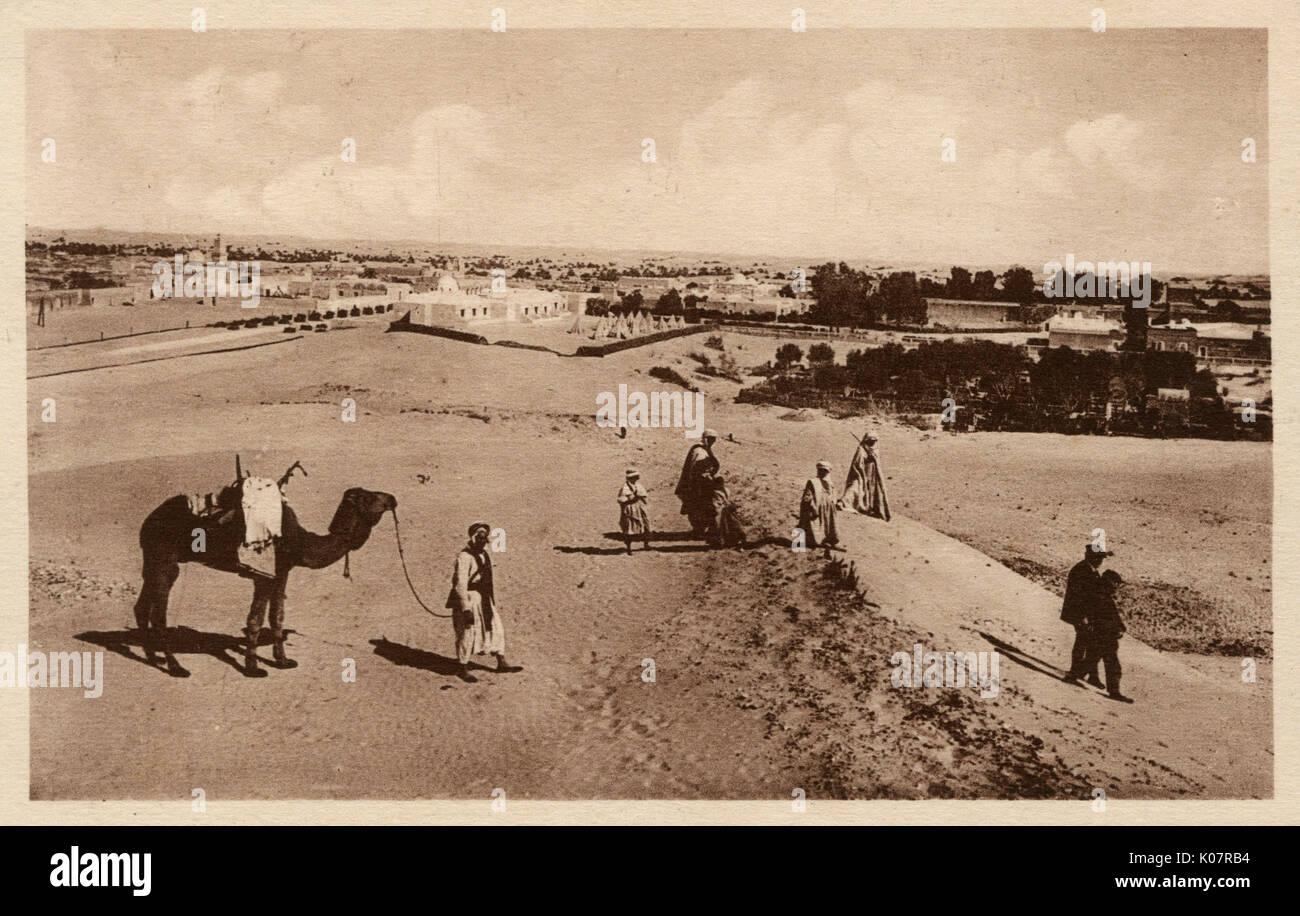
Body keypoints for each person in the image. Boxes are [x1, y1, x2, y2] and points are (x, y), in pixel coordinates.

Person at [445, 522, 519, 683]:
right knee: (467, 633)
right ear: (473, 538)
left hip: (484, 598)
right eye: (479, 537)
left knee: (497, 628)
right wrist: (465, 608)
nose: (482, 540)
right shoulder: (464, 557)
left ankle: (501, 662)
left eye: (484, 538)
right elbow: (460, 584)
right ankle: (462, 667)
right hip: (470, 599)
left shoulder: (484, 554)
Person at [1061, 544, 1111, 685]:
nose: (1101, 561)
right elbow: (1078, 597)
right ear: (1093, 557)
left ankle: (1092, 676)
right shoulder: (1082, 571)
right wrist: (1083, 617)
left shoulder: (1090, 570)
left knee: (1089, 642)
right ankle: (1074, 673)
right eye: (1100, 558)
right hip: (1080, 614)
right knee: (1082, 642)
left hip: (1087, 614)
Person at [1091, 570, 1133, 703]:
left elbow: (1113, 616)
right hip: (1105, 637)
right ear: (1109, 583)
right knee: (1113, 665)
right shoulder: (1101, 597)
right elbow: (1105, 619)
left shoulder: (1104, 596)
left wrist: (1120, 627)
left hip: (1106, 637)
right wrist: (1116, 630)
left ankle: (1073, 676)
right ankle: (1114, 692)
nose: (1117, 587)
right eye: (1116, 584)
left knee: (1091, 660)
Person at [675, 429, 720, 537]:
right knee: (696, 507)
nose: (712, 441)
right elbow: (695, 469)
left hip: (704, 485)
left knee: (705, 507)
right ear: (705, 438)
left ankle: (703, 529)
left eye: (713, 439)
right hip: (695, 485)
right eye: (710, 439)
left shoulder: (706, 450)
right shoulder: (698, 451)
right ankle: (698, 530)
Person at [839, 433, 891, 521]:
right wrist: (866, 459)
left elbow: (877, 461)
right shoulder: (861, 449)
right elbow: (857, 463)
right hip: (862, 472)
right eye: (871, 440)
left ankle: (870, 506)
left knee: (872, 489)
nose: (872, 442)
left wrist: (873, 458)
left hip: (873, 472)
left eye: (874, 441)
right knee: (855, 486)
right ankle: (844, 502)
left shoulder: (876, 450)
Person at [799, 460, 840, 557]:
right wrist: (811, 506)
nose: (822, 473)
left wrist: (833, 503)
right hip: (816, 506)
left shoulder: (830, 482)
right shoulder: (813, 482)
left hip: (828, 507)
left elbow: (833, 493)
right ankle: (814, 541)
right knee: (815, 524)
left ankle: (828, 540)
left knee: (829, 524)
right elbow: (807, 496)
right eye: (821, 470)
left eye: (825, 471)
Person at [617, 468, 651, 554]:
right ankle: (629, 548)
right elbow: (622, 499)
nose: (636, 479)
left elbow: (644, 497)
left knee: (645, 525)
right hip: (630, 509)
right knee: (629, 528)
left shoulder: (639, 485)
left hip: (640, 507)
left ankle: (646, 544)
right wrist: (632, 498)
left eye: (636, 477)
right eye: (634, 477)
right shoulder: (625, 487)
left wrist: (644, 502)